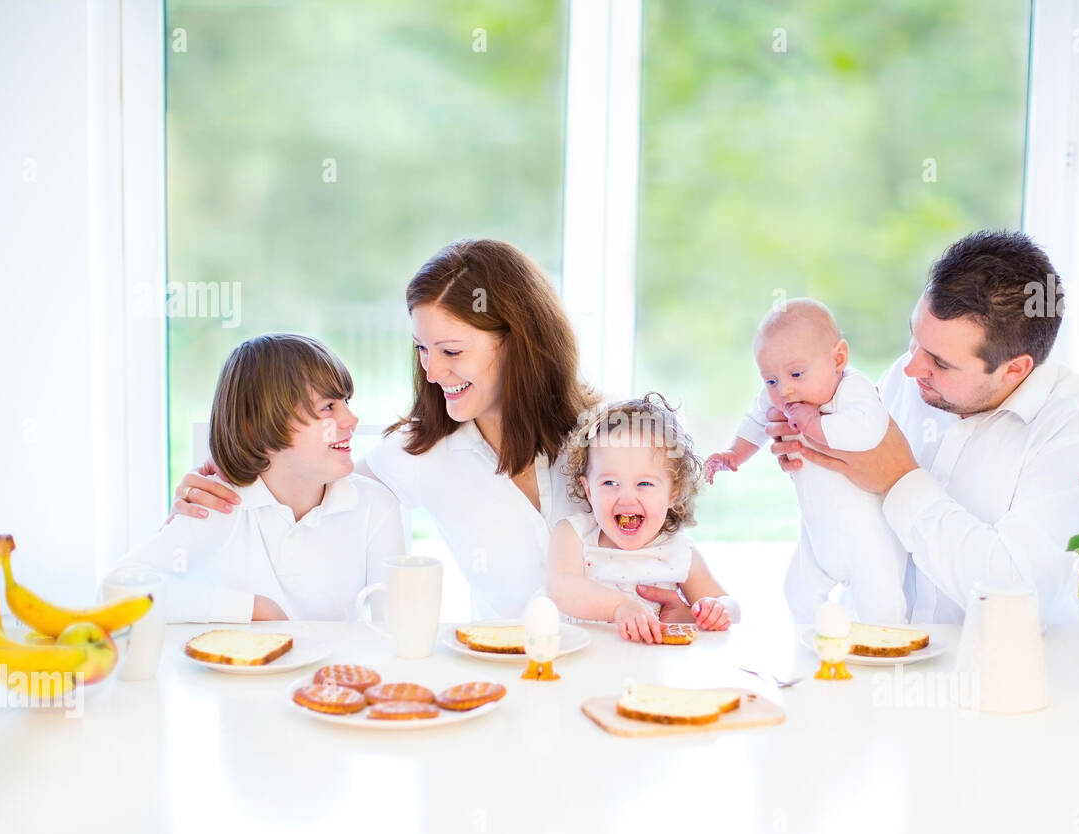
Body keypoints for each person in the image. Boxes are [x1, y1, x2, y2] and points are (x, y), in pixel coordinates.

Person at [171, 239, 607, 620]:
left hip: (624, 665)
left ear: (519, 341)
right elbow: (306, 477)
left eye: (451, 350)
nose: (433, 372)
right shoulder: (419, 452)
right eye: (422, 349)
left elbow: (672, 534)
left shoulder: (607, 435)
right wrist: (228, 472)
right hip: (512, 681)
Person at [764, 231, 1079, 630]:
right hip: (864, 653)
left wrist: (900, 480)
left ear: (1014, 369)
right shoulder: (910, 378)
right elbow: (854, 510)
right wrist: (813, 453)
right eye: (914, 339)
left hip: (989, 676)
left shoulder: (1078, 432)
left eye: (940, 362)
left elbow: (1017, 595)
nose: (911, 367)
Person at [110, 334, 404, 622]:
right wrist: (252, 609)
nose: (351, 419)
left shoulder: (374, 506)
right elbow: (116, 590)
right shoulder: (220, 504)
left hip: (332, 671)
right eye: (328, 407)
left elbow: (396, 634)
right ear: (259, 429)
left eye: (346, 402)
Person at [704, 298, 908, 633]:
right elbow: (757, 419)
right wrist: (734, 454)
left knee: (882, 610)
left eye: (796, 373)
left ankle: (889, 653)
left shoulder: (852, 389)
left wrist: (814, 424)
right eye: (770, 380)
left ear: (838, 358)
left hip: (868, 543)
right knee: (797, 594)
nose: (783, 389)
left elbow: (869, 429)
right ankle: (821, 649)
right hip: (818, 538)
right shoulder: (785, 394)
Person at [548, 395, 739, 643]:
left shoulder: (678, 550)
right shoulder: (574, 534)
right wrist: (619, 607)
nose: (626, 499)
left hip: (650, 674)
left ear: (674, 492)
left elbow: (730, 605)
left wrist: (719, 610)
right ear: (589, 490)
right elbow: (561, 587)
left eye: (645, 483)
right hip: (584, 669)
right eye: (610, 483)